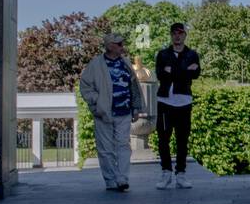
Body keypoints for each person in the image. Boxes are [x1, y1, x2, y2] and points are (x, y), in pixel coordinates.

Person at [80, 32, 145, 193]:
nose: (122, 47)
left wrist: (136, 107)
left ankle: (122, 179)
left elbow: (134, 86)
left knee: (123, 146)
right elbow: (85, 87)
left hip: (123, 112)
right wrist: (98, 104)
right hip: (104, 113)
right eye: (119, 44)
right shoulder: (96, 64)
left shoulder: (125, 63)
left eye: (122, 43)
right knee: (105, 149)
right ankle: (111, 180)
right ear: (109, 46)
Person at [155, 22, 201, 189]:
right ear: (171, 35)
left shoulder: (192, 54)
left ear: (185, 35)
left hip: (184, 102)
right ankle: (166, 172)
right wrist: (184, 70)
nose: (177, 36)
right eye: (174, 33)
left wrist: (173, 71)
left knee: (182, 140)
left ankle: (181, 173)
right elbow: (161, 74)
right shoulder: (162, 54)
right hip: (165, 102)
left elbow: (195, 74)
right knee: (163, 139)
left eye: (180, 33)